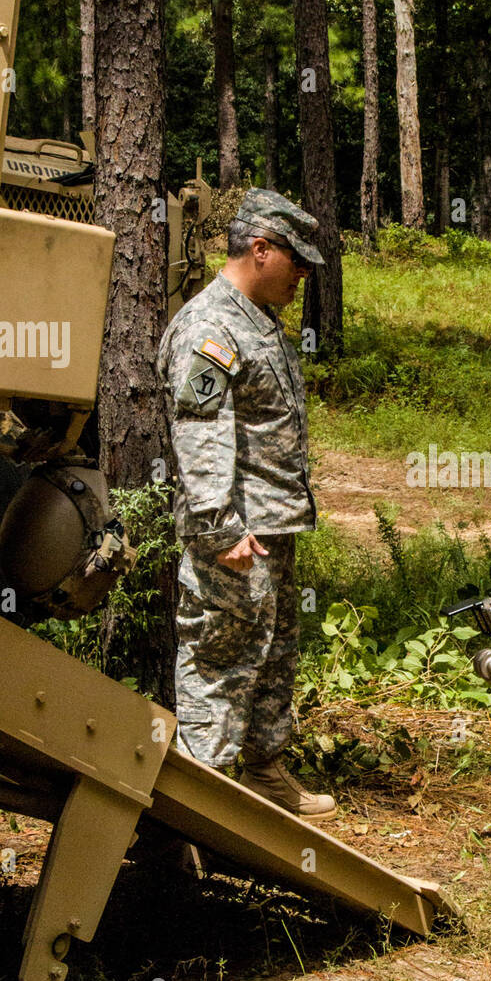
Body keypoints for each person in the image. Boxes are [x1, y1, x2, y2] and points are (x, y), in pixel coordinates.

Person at [156, 188, 336, 820]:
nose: (306, 273)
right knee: (218, 664)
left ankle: (262, 776)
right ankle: (196, 807)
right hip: (232, 534)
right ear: (261, 250)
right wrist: (219, 526)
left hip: (271, 525)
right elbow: (200, 435)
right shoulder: (211, 327)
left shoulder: (257, 320)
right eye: (298, 259)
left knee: (272, 654)